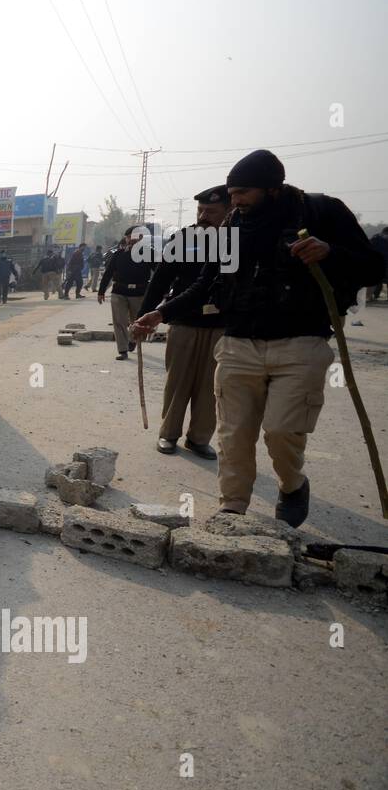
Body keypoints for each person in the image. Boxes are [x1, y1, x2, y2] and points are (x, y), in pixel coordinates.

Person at [132, 149, 385, 526]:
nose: (235, 202)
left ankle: (293, 485)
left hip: (300, 343)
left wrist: (329, 252)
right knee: (233, 435)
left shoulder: (322, 212)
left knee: (282, 431)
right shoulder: (233, 227)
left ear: (273, 188)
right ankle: (232, 508)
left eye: (242, 193)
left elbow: (374, 266)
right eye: (231, 195)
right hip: (237, 343)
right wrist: (162, 312)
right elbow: (207, 283)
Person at [138, 186, 229, 458]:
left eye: (211, 211)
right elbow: (160, 281)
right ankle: (168, 435)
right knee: (177, 382)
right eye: (200, 210)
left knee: (211, 388)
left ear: (229, 211)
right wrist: (144, 317)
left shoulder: (238, 241)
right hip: (184, 322)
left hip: (220, 326)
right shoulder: (183, 239)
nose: (203, 216)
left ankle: (199, 439)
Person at [98, 226, 152, 359]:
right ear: (126, 239)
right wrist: (101, 291)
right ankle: (122, 350)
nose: (131, 240)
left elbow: (159, 273)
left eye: (134, 237)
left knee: (137, 321)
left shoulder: (149, 254)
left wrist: (162, 290)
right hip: (119, 292)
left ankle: (132, 340)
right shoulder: (118, 254)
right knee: (119, 321)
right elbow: (108, 273)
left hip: (139, 293)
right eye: (128, 237)